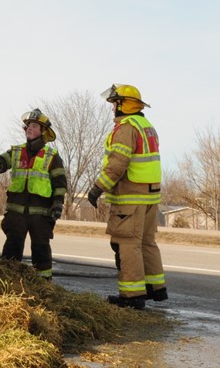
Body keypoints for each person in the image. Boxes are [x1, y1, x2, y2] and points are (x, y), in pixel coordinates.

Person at [86, 83, 167, 309]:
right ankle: (155, 289)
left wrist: (97, 188)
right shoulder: (147, 126)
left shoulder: (126, 128)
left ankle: (132, 296)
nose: (113, 109)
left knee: (126, 244)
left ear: (123, 105)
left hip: (130, 198)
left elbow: (117, 165)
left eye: (114, 104)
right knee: (146, 243)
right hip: (149, 198)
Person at [0, 109, 66, 280]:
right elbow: (3, 160)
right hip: (16, 214)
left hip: (41, 215)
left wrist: (58, 205)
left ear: (43, 132)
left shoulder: (52, 157)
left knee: (41, 250)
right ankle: (8, 281)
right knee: (12, 248)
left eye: (33, 126)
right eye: (27, 126)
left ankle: (43, 285)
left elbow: (60, 183)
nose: (28, 129)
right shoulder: (16, 152)